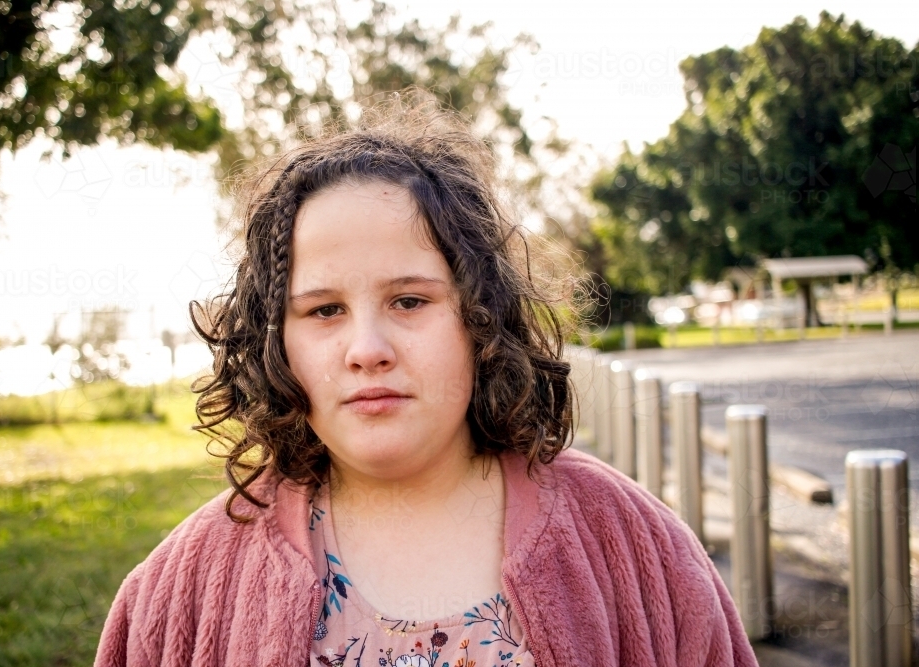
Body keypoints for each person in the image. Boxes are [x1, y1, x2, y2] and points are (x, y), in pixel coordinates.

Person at [93, 92, 758, 667]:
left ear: (480, 316)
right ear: (276, 341)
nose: (367, 349)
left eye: (409, 301)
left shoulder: (636, 546)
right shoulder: (177, 592)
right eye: (324, 310)